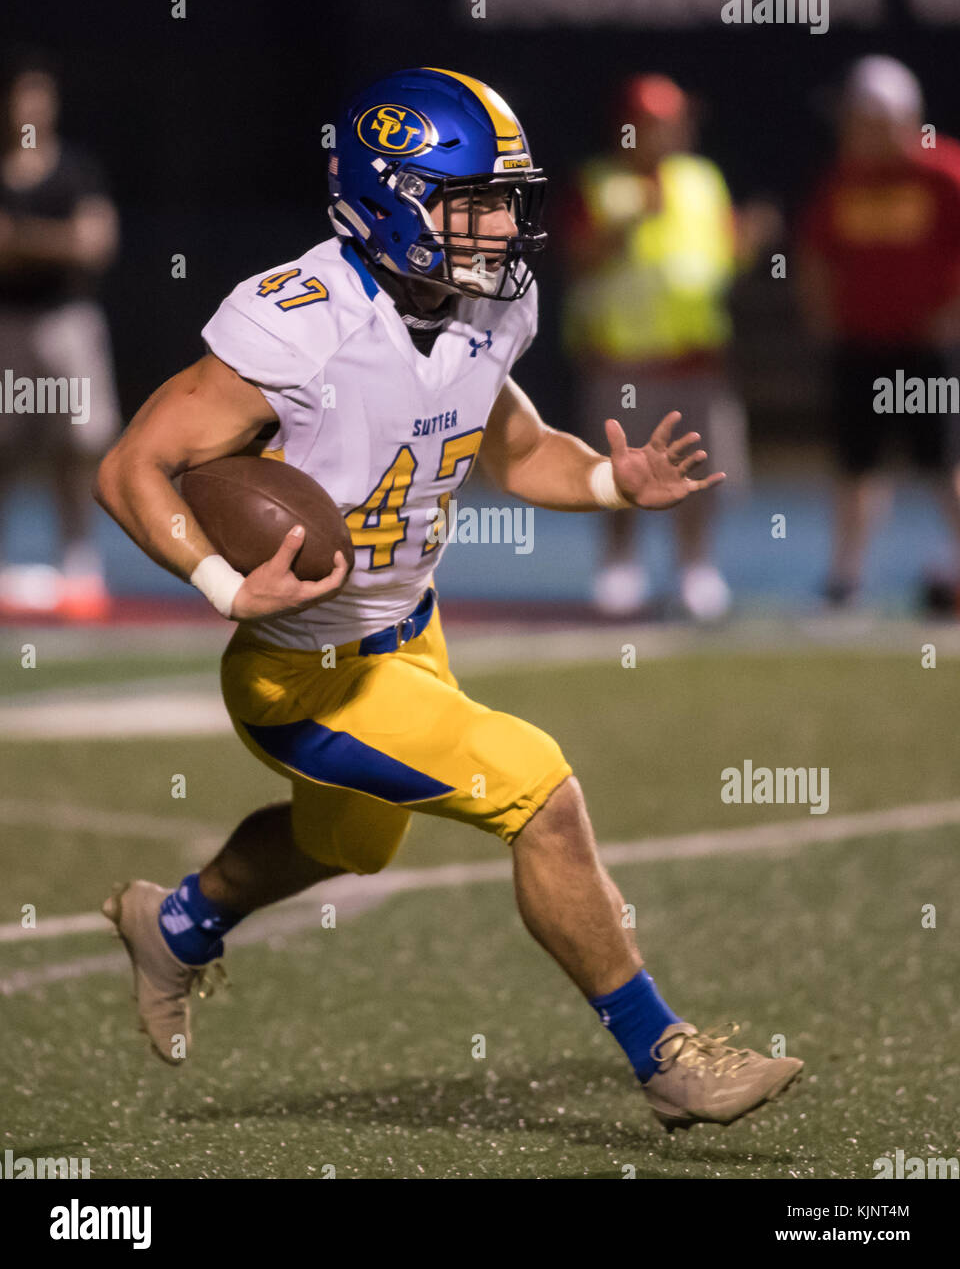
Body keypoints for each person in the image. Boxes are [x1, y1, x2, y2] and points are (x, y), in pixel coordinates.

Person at [96, 68, 801, 1131]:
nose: (498, 228)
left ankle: (179, 925)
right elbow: (130, 467)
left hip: (411, 632)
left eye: (504, 201)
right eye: (472, 202)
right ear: (390, 200)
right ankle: (667, 1054)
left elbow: (514, 449)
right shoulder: (298, 323)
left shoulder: (488, 300)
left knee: (348, 844)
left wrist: (614, 481)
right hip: (306, 669)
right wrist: (223, 581)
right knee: (542, 794)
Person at [561, 74, 755, 621]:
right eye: (662, 123)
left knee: (696, 468)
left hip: (696, 355)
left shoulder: (702, 179)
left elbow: (721, 253)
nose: (676, 132)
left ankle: (695, 568)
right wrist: (629, 222)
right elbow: (577, 259)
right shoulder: (598, 182)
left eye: (679, 122)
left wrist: (747, 242)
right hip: (620, 361)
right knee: (617, 469)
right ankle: (619, 566)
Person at [798, 55, 960, 608]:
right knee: (855, 466)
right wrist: (823, 314)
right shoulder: (843, 178)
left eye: (868, 119)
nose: (855, 131)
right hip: (860, 345)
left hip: (926, 350)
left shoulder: (943, 173)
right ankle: (846, 580)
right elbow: (817, 254)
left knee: (943, 462)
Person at [0, 56, 120, 619]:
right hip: (8, 327)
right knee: (5, 448)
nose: (32, 109)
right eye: (23, 97)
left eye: (40, 97)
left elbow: (95, 244)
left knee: (79, 446)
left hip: (68, 323)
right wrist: (60, 240)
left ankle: (80, 569)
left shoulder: (75, 169)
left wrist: (23, 240)